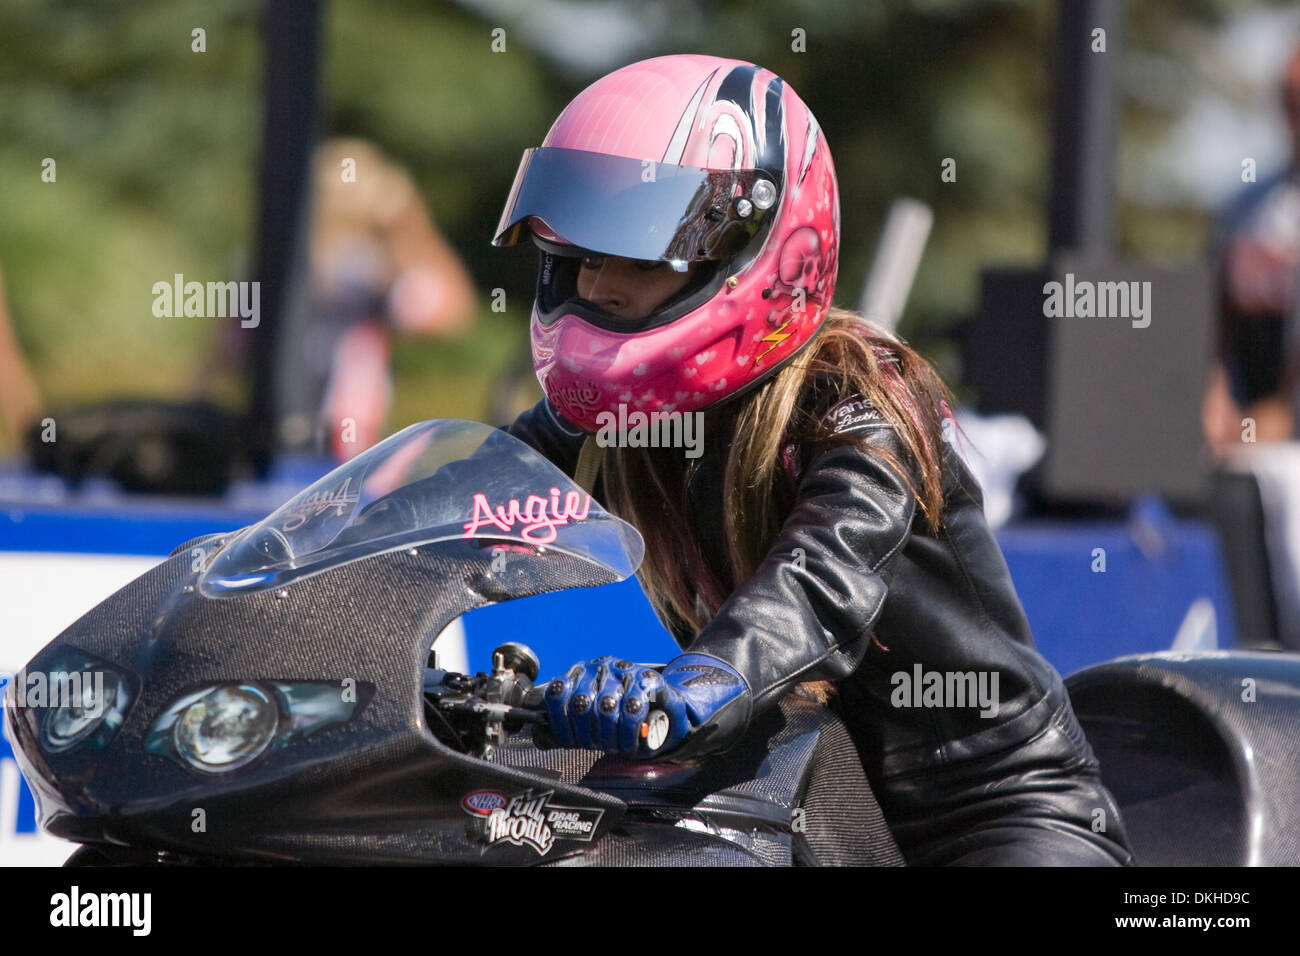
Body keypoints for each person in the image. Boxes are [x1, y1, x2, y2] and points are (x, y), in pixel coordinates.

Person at [495, 54, 1134, 866]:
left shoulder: (862, 397)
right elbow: (469, 502)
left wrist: (700, 680)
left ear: (751, 246)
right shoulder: (600, 421)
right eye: (579, 247)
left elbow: (819, 581)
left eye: (636, 247)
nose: (595, 279)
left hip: (984, 814)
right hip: (787, 797)